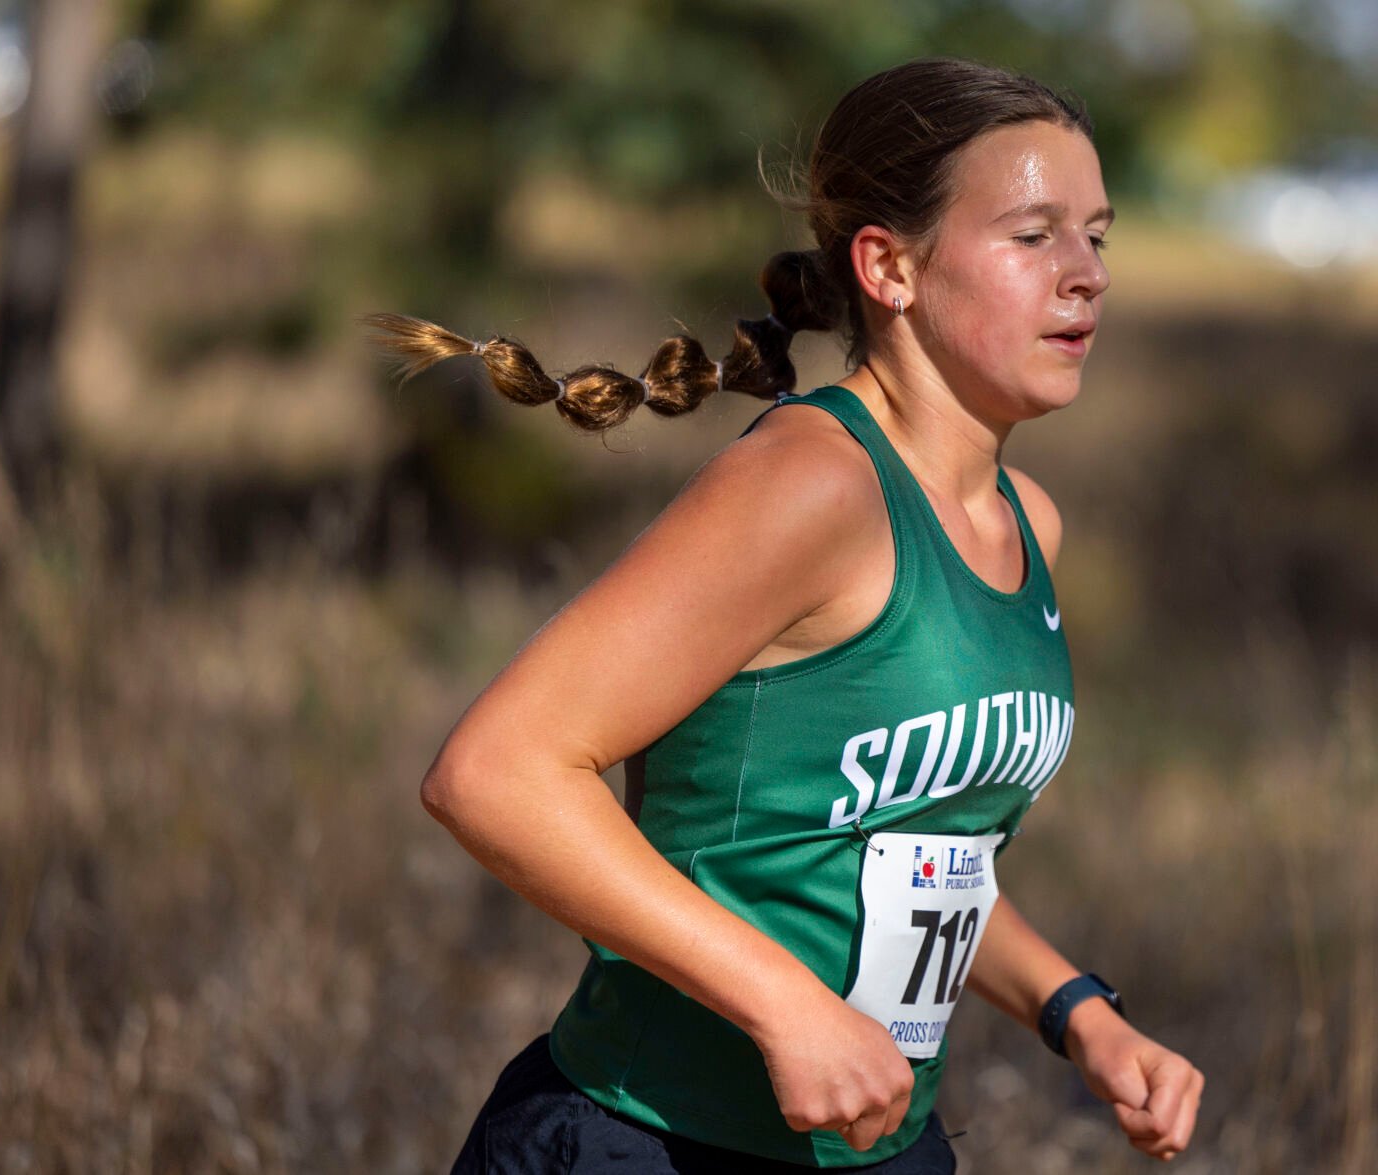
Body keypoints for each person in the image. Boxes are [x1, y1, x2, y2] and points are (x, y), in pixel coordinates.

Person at [365, 56, 1203, 1174]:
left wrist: (1077, 1013)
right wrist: (782, 1004)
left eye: (1096, 235)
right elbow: (495, 772)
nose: (1084, 275)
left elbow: (910, 847)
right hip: (648, 1140)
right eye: (1032, 234)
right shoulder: (813, 487)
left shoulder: (1025, 523)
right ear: (888, 266)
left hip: (878, 1147)